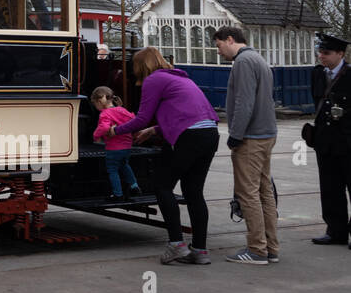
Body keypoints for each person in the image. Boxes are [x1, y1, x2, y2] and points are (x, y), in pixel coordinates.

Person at [107, 47, 219, 265]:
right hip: (209, 134)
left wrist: (115, 131)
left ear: (141, 67)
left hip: (189, 137)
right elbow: (185, 113)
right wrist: (155, 130)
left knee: (162, 185)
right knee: (194, 191)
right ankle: (200, 250)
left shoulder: (153, 80)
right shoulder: (178, 77)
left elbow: (141, 118)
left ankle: (176, 244)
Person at [214, 26, 279, 265]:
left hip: (250, 137)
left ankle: (256, 249)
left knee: (247, 192)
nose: (219, 51)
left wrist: (235, 135)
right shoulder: (258, 58)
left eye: (219, 45)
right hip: (266, 133)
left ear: (230, 39)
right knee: (264, 191)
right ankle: (270, 246)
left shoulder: (242, 62)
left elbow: (244, 102)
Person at [306, 32, 351, 247]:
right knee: (330, 189)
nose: (321, 56)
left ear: (341, 53)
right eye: (320, 52)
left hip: (348, 141)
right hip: (325, 141)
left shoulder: (349, 75)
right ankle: (336, 231)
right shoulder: (317, 74)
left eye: (327, 52)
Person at [91, 86, 140, 201]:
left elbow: (104, 127)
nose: (96, 107)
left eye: (95, 104)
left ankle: (118, 194)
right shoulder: (122, 110)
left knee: (112, 170)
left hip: (114, 148)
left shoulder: (105, 114)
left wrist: (96, 136)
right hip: (127, 147)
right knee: (124, 165)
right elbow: (134, 119)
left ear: (99, 101)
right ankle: (134, 186)